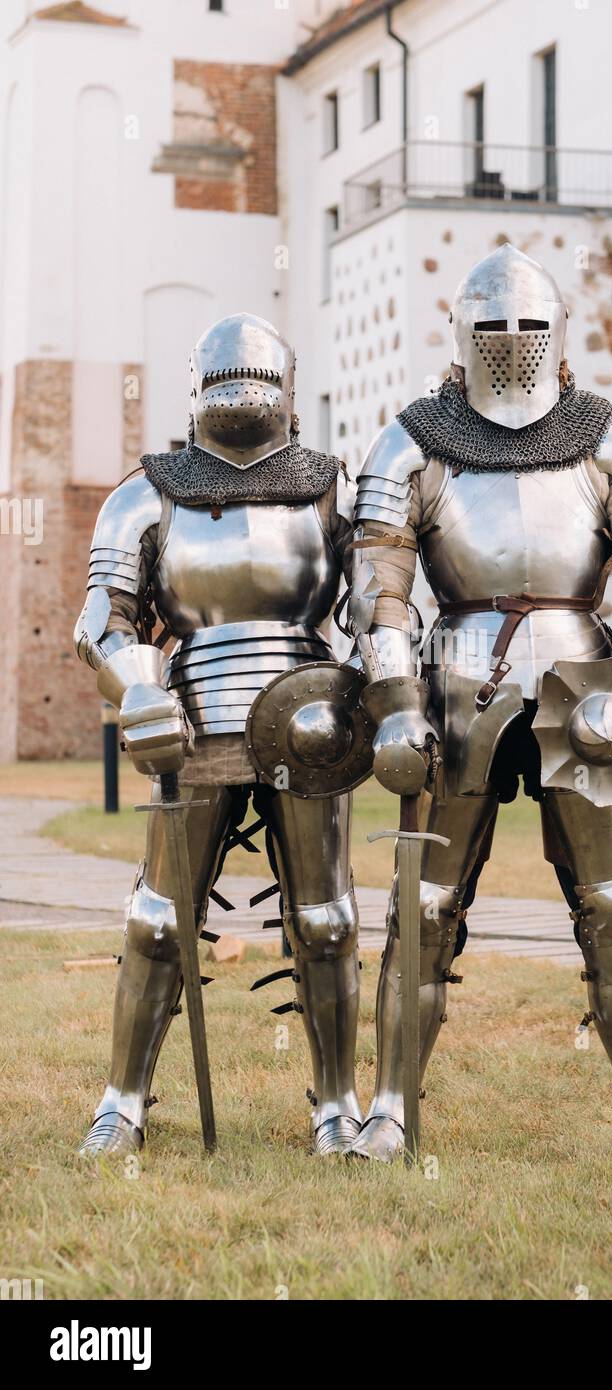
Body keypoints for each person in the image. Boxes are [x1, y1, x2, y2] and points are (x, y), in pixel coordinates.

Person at [348, 245, 612, 1162]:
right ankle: (390, 1105)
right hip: (456, 685)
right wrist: (395, 697)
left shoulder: (607, 438)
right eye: (493, 326)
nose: (512, 342)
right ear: (462, 338)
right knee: (424, 909)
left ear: (558, 334)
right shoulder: (413, 440)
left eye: (529, 325)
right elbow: (379, 582)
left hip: (585, 686)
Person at [74, 314, 362, 1156]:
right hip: (192, 713)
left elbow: (378, 598)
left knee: (326, 919)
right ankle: (122, 1101)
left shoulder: (328, 488)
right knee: (160, 918)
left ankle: (338, 1104)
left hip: (313, 716)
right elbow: (102, 619)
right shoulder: (146, 491)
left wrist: (390, 677)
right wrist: (137, 686)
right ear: (195, 387)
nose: (244, 393)